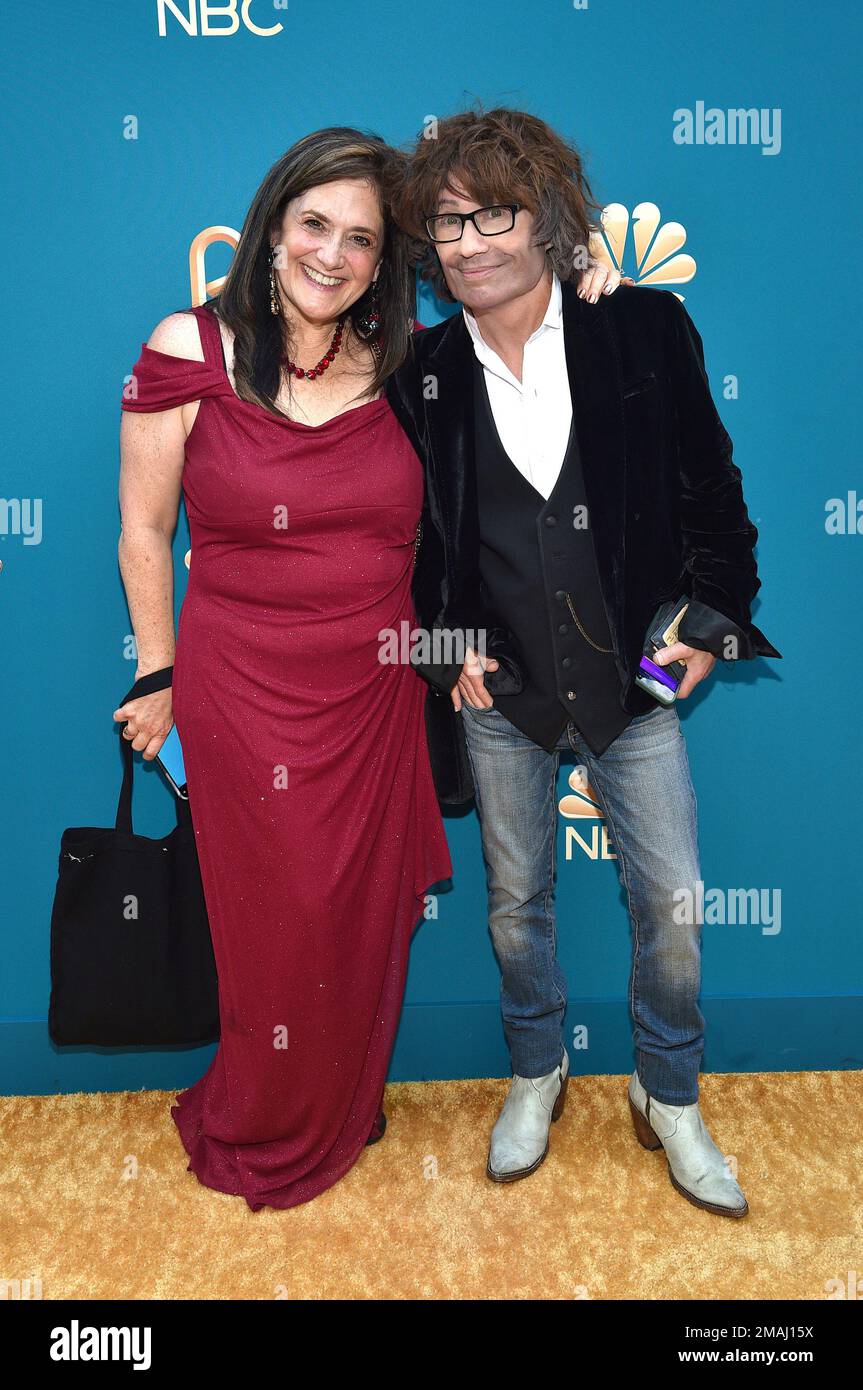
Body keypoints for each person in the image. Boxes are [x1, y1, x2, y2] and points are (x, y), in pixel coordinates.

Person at [115, 125, 620, 1211]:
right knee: (276, 917)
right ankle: (268, 1110)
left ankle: (339, 1095)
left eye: (359, 237)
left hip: (380, 684)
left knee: (354, 911)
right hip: (244, 686)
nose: (331, 255)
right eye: (313, 226)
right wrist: (156, 673)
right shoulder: (187, 347)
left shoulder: (404, 365)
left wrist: (588, 281)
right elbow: (143, 531)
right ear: (271, 228)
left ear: (384, 257)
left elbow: (527, 346)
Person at [386, 107, 781, 1216]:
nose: (466, 244)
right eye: (446, 223)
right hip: (499, 691)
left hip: (633, 681)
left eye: (492, 215)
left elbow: (712, 493)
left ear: (547, 216)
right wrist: (438, 649)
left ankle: (668, 1091)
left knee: (674, 900)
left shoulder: (640, 328)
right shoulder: (420, 372)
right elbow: (401, 538)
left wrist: (706, 621)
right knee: (515, 902)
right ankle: (535, 1068)